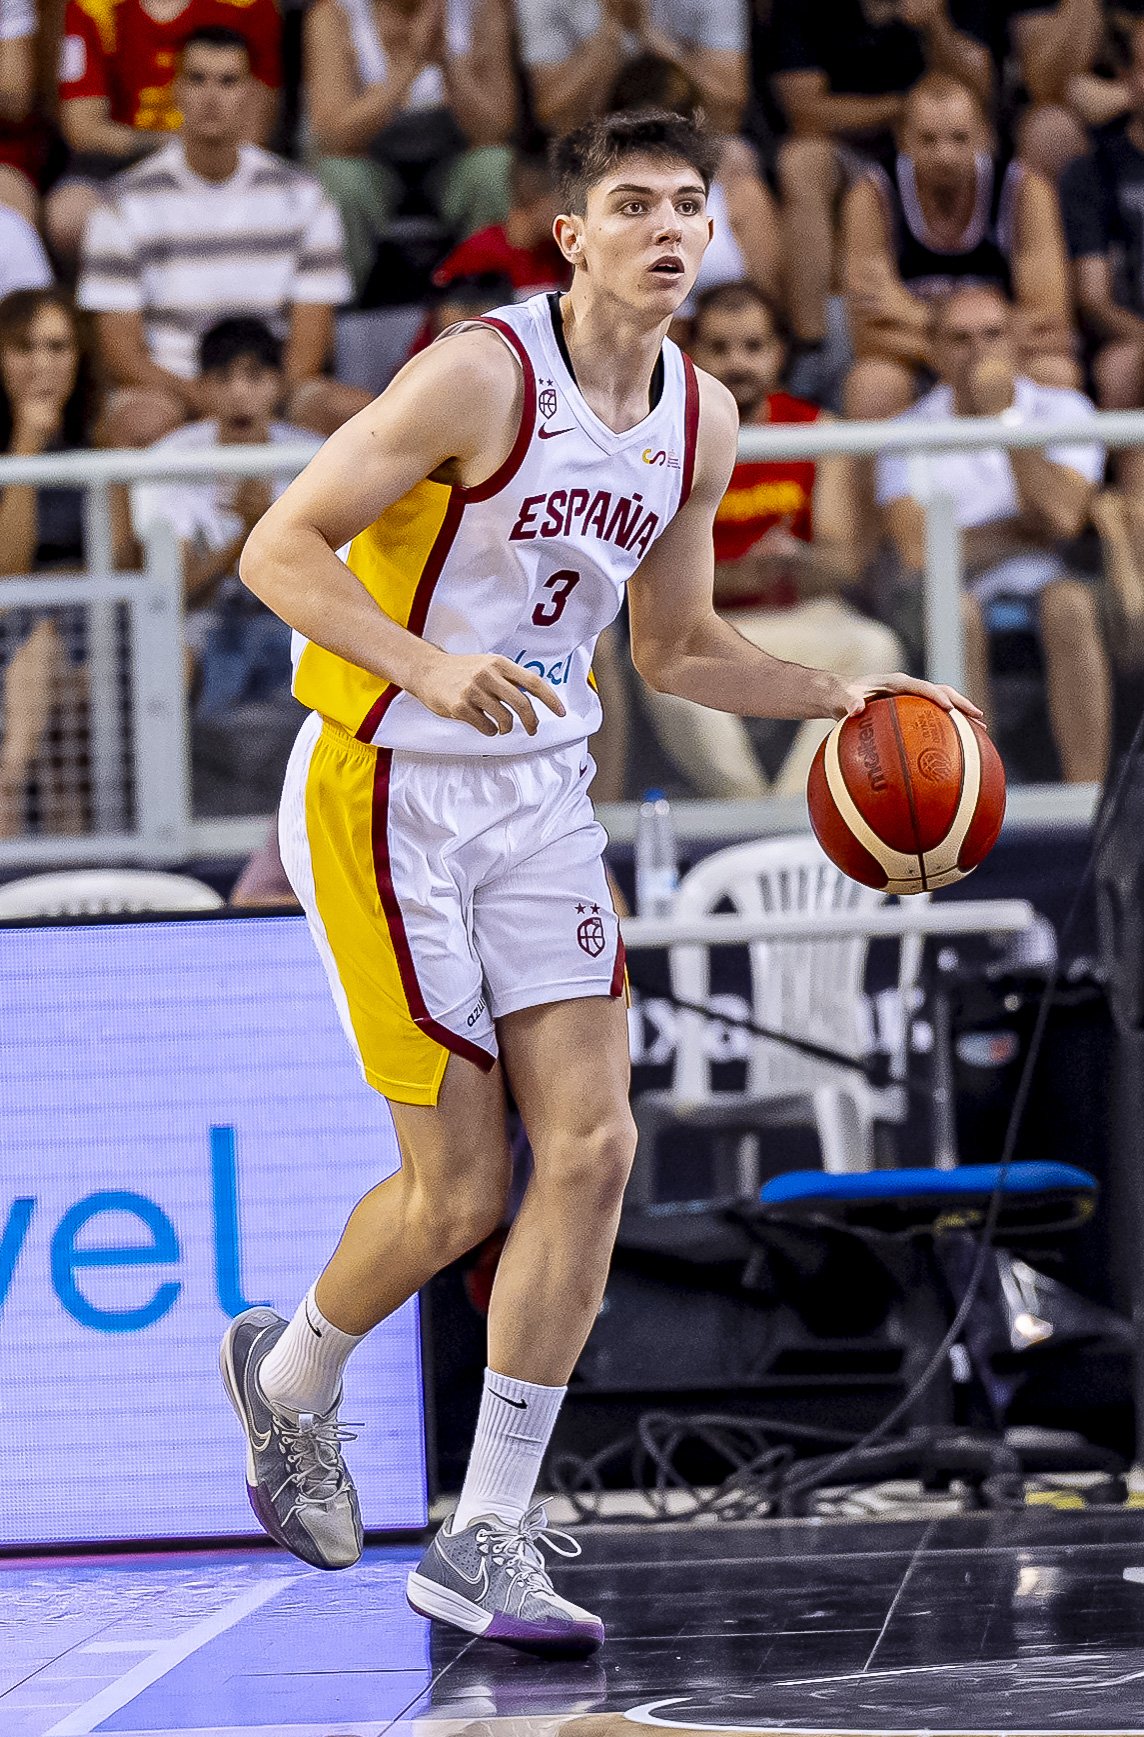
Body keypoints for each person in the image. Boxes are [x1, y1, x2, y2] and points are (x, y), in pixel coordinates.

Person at [223, 107, 978, 1654]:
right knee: (462, 1191)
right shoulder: (479, 375)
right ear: (571, 237)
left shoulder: (699, 419)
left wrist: (839, 699)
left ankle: (486, 1526)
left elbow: (678, 648)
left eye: (690, 204)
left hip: (539, 799)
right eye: (632, 204)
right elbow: (280, 551)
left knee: (596, 1145)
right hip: (384, 781)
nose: (667, 228)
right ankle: (290, 1373)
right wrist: (430, 664)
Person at [641, 280, 904, 799]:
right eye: (720, 347)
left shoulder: (816, 429)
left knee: (877, 648)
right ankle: (753, 813)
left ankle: (793, 810)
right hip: (708, 622)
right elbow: (647, 577)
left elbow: (844, 563)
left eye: (754, 347)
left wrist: (797, 562)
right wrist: (741, 573)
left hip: (806, 616)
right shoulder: (664, 434)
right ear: (692, 353)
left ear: (779, 353)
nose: (738, 362)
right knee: (666, 677)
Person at [77, 26, 365, 448]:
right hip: (171, 388)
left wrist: (251, 398)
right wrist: (213, 399)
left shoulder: (304, 197)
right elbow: (122, 354)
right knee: (132, 424)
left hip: (276, 387)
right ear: (175, 89)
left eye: (228, 81)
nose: (212, 96)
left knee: (360, 417)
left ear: (251, 93)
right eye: (197, 79)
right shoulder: (121, 203)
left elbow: (309, 347)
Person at [876, 282, 1109, 784]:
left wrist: (1007, 426)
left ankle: (1086, 796)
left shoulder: (1065, 410)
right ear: (935, 352)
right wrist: (1024, 532)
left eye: (992, 334)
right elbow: (918, 553)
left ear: (1016, 343)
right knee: (956, 611)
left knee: (1069, 604)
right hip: (951, 590)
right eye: (960, 339)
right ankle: (979, 797)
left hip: (1049, 581)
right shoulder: (905, 430)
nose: (978, 350)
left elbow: (1064, 519)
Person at [844, 72, 1075, 420]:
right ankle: (894, 478)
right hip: (915, 363)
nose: (945, 155)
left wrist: (912, 314)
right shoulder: (872, 197)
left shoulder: (1025, 191)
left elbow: (1048, 325)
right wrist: (973, 343)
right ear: (904, 139)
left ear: (983, 136)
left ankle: (1066, 477)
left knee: (1055, 372)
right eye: (929, 140)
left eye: (959, 139)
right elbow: (868, 336)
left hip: (1003, 359)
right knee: (872, 383)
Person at [770, 0, 992, 354]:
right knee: (802, 161)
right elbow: (805, 113)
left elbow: (978, 98)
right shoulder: (806, 9)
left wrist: (936, 24)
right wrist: (906, 110)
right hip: (851, 149)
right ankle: (812, 349)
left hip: (933, 140)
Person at [129, 316, 312, 717]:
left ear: (278, 384)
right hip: (204, 623)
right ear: (202, 387)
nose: (239, 393)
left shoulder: (315, 457)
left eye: (254, 376)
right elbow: (175, 593)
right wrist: (247, 536)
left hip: (296, 619)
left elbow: (330, 585)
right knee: (172, 648)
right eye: (223, 378)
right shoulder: (169, 460)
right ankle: (172, 776)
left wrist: (263, 529)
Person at [305, 0, 517, 298]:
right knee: (340, 179)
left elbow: (496, 129)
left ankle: (490, 306)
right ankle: (335, 316)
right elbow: (333, 137)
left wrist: (446, 59)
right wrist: (409, 65)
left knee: (495, 166)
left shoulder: (480, 9)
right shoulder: (334, 15)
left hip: (452, 160)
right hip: (370, 159)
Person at [51, 0, 282, 265]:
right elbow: (83, 130)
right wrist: (179, 145)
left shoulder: (250, 5)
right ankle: (106, 303)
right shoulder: (91, 6)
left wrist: (196, 155)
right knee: (70, 215)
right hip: (115, 165)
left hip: (219, 161)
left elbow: (254, 132)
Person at [0, 288, 99, 836]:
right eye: (24, 348)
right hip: (12, 627)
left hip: (96, 628)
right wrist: (25, 447)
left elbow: (123, 564)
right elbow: (9, 572)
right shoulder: (13, 450)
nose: (43, 364)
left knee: (58, 649)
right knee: (40, 641)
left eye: (58, 347)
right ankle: (11, 786)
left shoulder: (101, 440)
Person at [1061, 19, 1144, 554]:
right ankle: (1138, 517)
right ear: (1129, 78)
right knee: (1125, 364)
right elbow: (1092, 296)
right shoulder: (1092, 170)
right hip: (1131, 337)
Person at [515, 0, 749, 138]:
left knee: (737, 158)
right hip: (590, 138)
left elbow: (729, 110)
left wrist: (654, 39)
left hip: (688, 135)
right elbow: (552, 118)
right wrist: (608, 38)